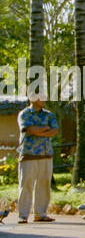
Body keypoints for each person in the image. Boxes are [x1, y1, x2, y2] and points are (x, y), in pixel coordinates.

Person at [16, 92, 59, 224]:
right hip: (29, 154)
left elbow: (54, 131)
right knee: (26, 184)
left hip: (46, 154)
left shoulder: (49, 114)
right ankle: (23, 215)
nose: (44, 99)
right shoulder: (24, 114)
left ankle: (40, 214)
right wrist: (45, 128)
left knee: (44, 184)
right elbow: (29, 129)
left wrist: (39, 130)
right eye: (41, 97)